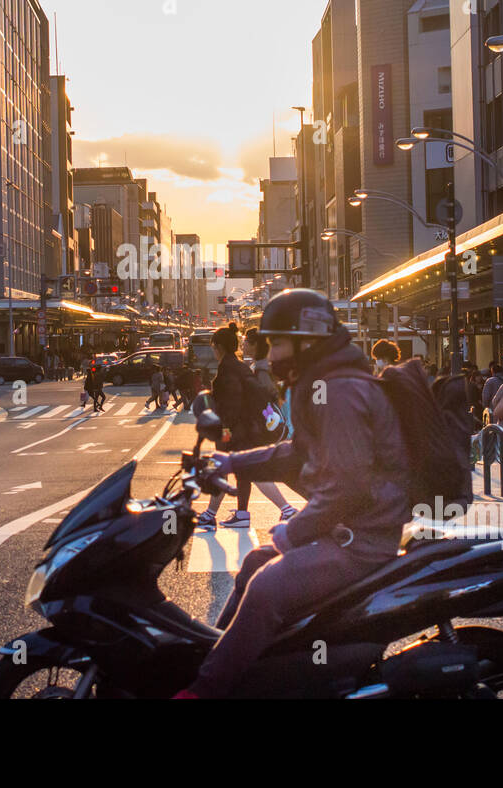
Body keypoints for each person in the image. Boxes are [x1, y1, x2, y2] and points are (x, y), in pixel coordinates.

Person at [175, 290, 415, 699]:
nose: (271, 354)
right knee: (253, 562)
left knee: (267, 587)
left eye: (278, 342)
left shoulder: (339, 392)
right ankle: (222, 662)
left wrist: (294, 532)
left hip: (361, 538)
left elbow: (348, 486)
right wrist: (228, 464)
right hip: (348, 530)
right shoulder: (323, 383)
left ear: (308, 341)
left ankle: (205, 690)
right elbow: (296, 451)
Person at [198, 326, 295, 530]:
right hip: (246, 430)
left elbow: (232, 404)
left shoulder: (228, 370)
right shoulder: (239, 366)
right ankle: (237, 514)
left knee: (242, 471)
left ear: (219, 347)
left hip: (236, 431)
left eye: (213, 347)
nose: (213, 351)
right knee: (244, 472)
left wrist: (224, 429)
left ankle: (287, 510)